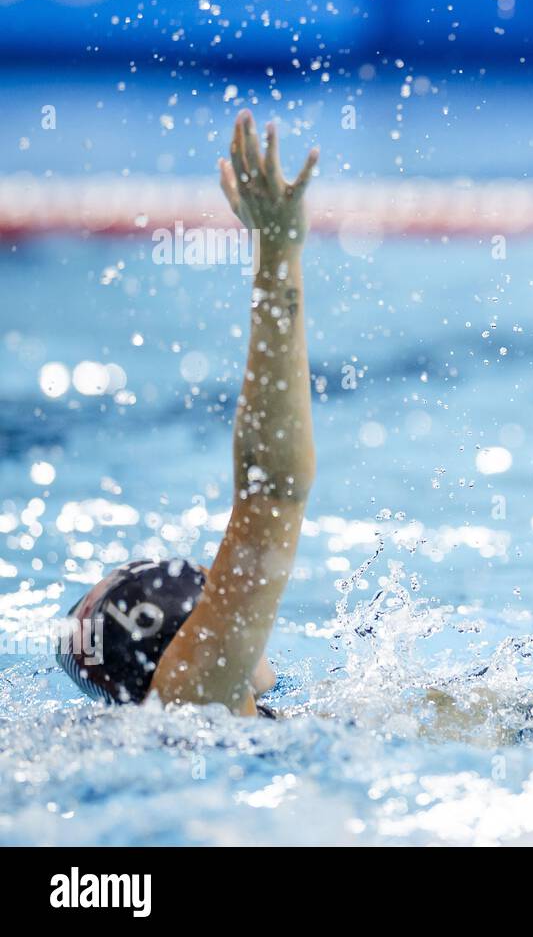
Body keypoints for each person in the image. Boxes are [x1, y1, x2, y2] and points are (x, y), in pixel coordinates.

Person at [55, 110, 319, 718]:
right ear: (194, 632)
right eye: (210, 588)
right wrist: (276, 252)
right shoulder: (193, 695)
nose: (222, 578)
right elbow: (270, 492)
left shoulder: (204, 722)